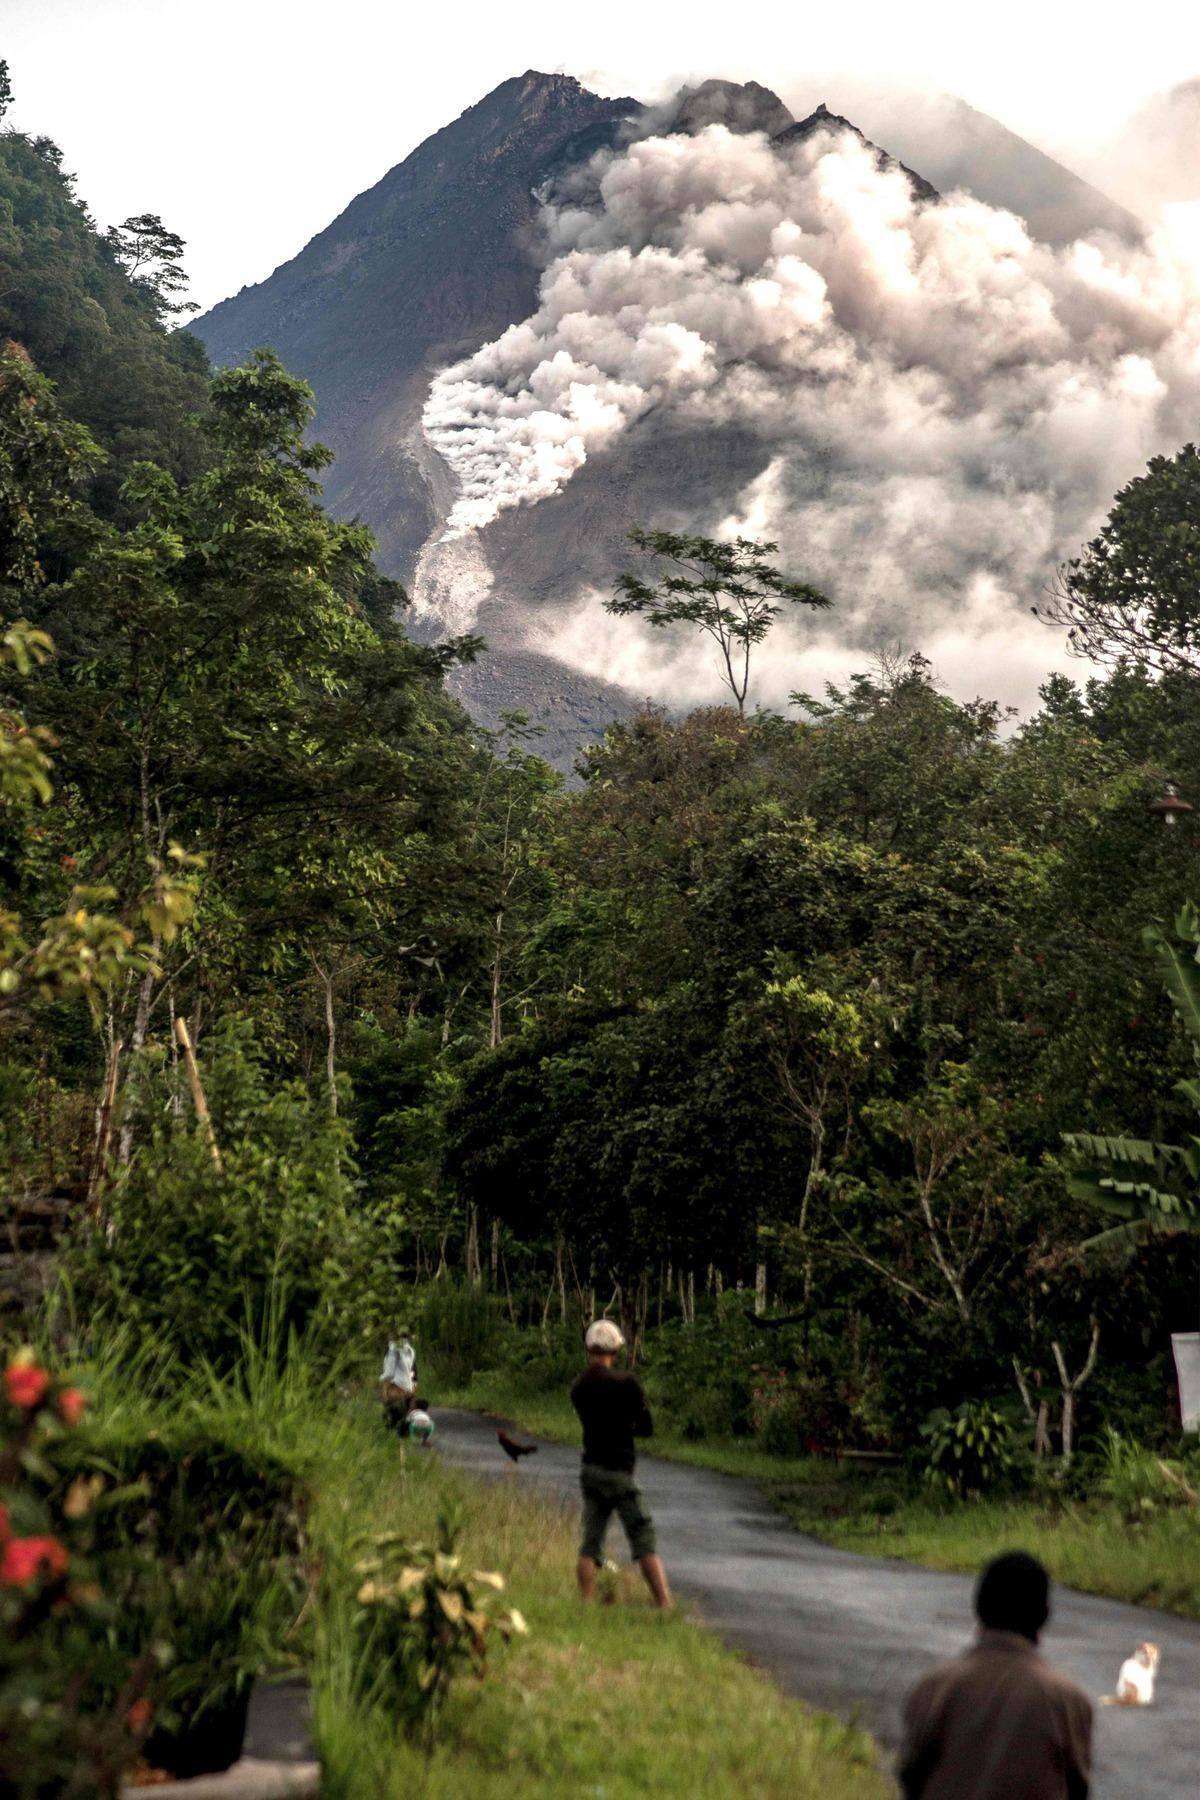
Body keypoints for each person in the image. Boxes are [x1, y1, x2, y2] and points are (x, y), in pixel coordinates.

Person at [899, 1551, 1093, 1800]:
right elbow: (1078, 1788)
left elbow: (910, 1776)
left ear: (979, 1607)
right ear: (1043, 1615)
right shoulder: (1069, 1701)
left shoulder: (934, 1686)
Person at [570, 1319, 672, 1610]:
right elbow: (646, 1427)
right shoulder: (627, 1384)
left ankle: (586, 1603)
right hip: (619, 1470)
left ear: (589, 1348)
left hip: (591, 1469)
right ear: (615, 1349)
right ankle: (664, 1604)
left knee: (591, 1541)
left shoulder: (579, 1387)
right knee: (642, 1536)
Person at [379, 1334, 417, 1435]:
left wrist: (382, 1381)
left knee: (390, 1415)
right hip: (409, 1388)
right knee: (404, 1418)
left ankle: (391, 1434)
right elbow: (414, 1373)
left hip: (396, 1388)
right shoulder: (410, 1350)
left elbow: (389, 1373)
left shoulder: (393, 1350)